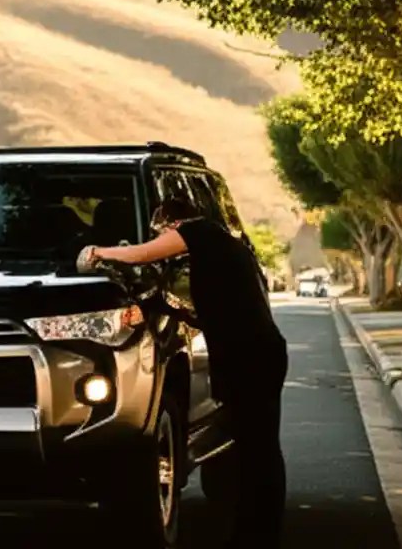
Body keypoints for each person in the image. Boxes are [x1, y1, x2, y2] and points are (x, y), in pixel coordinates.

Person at [80, 197, 288, 548]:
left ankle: (258, 534)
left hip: (251, 359)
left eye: (161, 231)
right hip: (259, 354)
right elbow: (212, 309)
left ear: (171, 222)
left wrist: (99, 252)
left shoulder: (198, 231)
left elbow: (143, 254)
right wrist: (168, 306)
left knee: (258, 452)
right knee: (258, 449)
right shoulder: (221, 244)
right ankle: (255, 531)